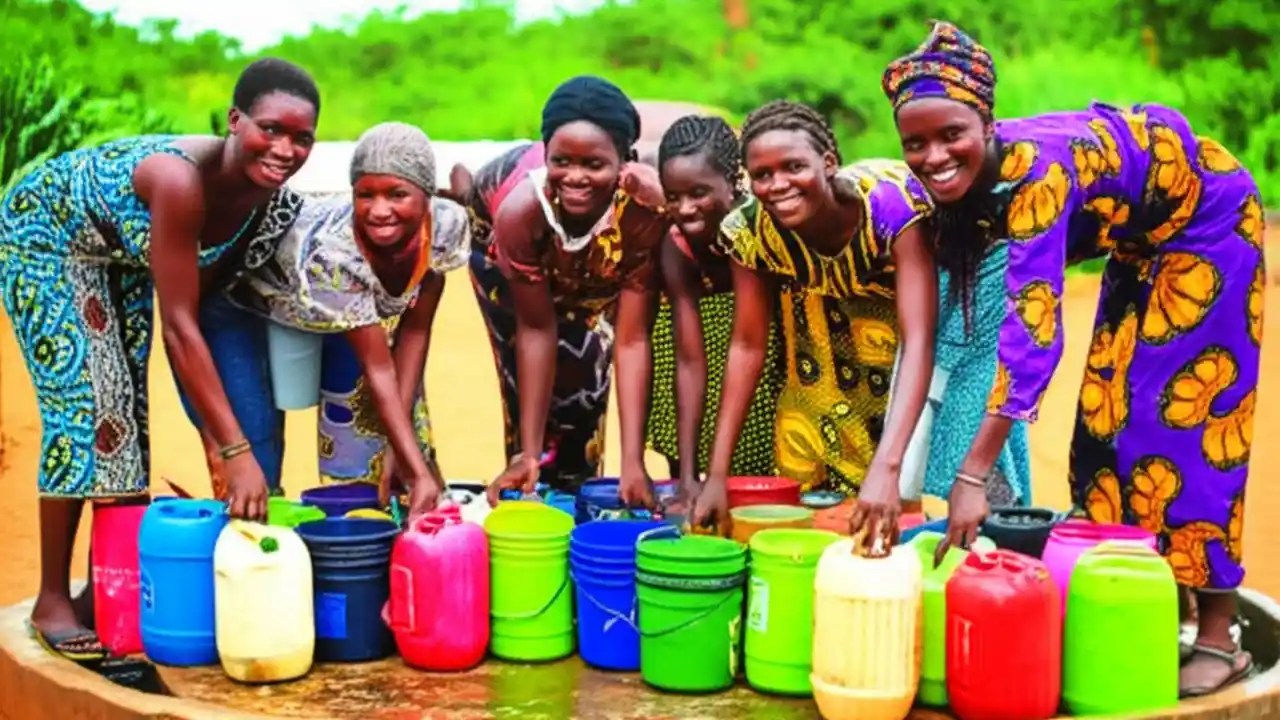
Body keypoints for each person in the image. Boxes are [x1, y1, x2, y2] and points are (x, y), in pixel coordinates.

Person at [883, 21, 1263, 696]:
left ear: (988, 122)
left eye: (952, 135)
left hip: (1211, 226)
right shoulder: (975, 189)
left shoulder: (1038, 173)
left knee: (1181, 429)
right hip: (1138, 244)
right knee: (1102, 425)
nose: (934, 155)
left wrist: (973, 475)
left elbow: (1033, 336)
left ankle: (1219, 635)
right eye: (916, 142)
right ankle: (1150, 603)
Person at [0, 57, 320, 661]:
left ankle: (103, 585)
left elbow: (200, 307)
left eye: (301, 137)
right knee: (87, 403)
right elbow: (179, 323)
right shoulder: (180, 182)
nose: (284, 148)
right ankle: (51, 599)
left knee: (126, 413)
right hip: (46, 240)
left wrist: (216, 431)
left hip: (117, 254)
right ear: (234, 120)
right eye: (270, 129)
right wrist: (235, 449)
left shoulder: (267, 205)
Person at [692, 100, 938, 541]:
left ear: (828, 163)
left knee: (893, 512)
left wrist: (888, 467)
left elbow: (920, 337)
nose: (778, 185)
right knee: (808, 517)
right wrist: (716, 474)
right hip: (819, 353)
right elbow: (747, 344)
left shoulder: (890, 204)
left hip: (900, 353)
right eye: (762, 175)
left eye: (793, 167)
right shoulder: (749, 231)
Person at [212, 122, 470, 516]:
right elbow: (379, 367)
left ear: (427, 195)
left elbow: (415, 332)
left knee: (374, 450)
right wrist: (416, 470)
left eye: (397, 194)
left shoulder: (445, 226)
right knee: (256, 460)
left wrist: (401, 453)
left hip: (342, 317)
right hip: (248, 306)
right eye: (365, 195)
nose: (380, 210)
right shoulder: (335, 255)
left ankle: (372, 535)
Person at [465, 76, 667, 506]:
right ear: (545, 155)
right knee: (527, 378)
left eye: (594, 165)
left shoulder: (646, 211)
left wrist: (633, 461)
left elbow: (631, 339)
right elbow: (536, 330)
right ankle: (529, 474)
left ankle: (578, 490)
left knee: (586, 372)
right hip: (502, 248)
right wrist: (529, 450)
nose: (575, 178)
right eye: (561, 161)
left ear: (625, 162)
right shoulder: (520, 211)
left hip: (599, 248)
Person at [645, 115, 781, 503]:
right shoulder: (676, 244)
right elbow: (688, 359)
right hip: (707, 343)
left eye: (699, 193)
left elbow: (751, 343)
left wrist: (717, 475)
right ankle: (688, 479)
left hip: (760, 342)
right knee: (670, 342)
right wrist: (687, 475)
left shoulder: (755, 227)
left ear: (734, 181)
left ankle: (746, 488)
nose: (685, 209)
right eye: (673, 196)